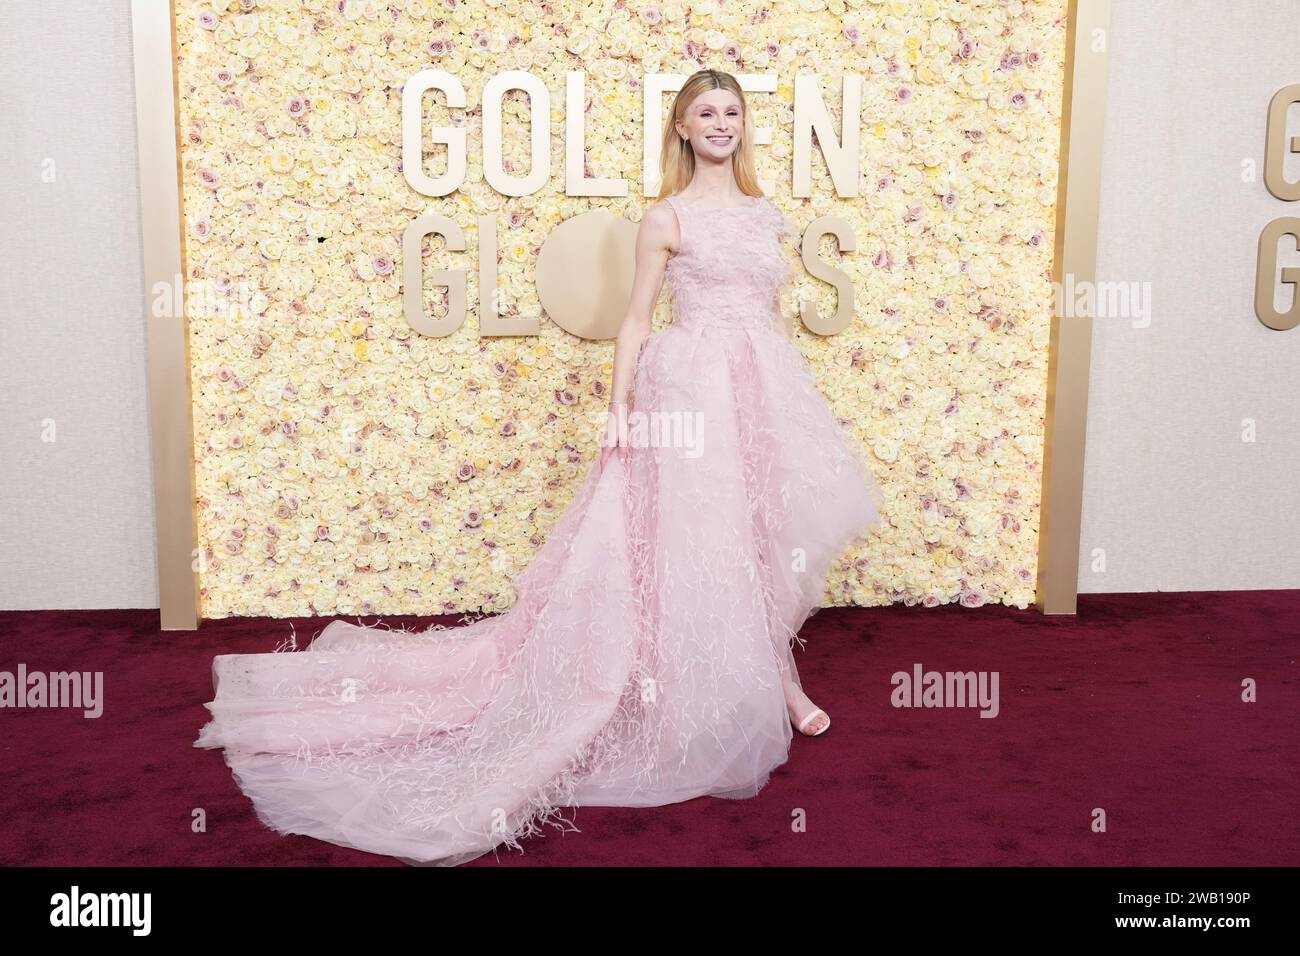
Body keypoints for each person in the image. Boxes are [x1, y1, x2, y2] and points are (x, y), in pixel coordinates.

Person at [194, 69, 885, 867]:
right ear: (684, 129)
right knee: (705, 540)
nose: (721, 124)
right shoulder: (665, 218)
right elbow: (634, 323)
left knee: (767, 533)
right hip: (689, 387)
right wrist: (622, 409)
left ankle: (775, 673)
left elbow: (762, 316)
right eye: (706, 113)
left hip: (759, 386)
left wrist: (781, 401)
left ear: (742, 125)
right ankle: (779, 688)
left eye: (732, 112)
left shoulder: (766, 216)